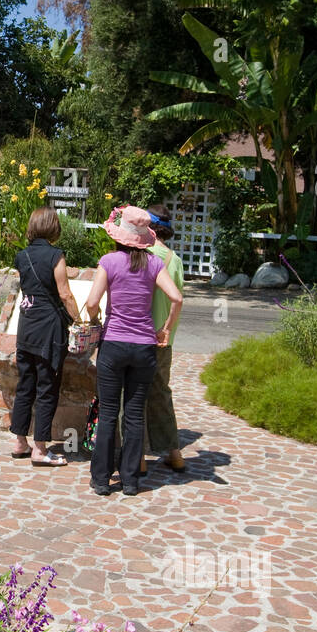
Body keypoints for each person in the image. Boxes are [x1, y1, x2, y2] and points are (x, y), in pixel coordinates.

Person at [84, 206, 183, 496]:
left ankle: (101, 479)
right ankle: (130, 480)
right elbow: (176, 297)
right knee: (135, 414)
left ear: (118, 236)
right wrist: (164, 329)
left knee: (109, 411)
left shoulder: (109, 261)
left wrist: (97, 321)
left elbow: (92, 302)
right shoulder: (154, 264)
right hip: (144, 347)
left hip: (113, 344)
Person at [10, 206, 81, 467]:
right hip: (48, 330)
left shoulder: (21, 255)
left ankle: (19, 442)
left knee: (25, 385)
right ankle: (39, 449)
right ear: (53, 227)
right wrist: (80, 319)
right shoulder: (55, 256)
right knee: (47, 387)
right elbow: (64, 293)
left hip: (26, 325)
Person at [144, 205, 186, 472]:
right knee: (161, 394)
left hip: (135, 335)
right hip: (162, 339)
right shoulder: (174, 261)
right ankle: (174, 451)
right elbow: (177, 300)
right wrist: (168, 328)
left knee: (132, 395)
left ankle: (137, 457)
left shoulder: (139, 255)